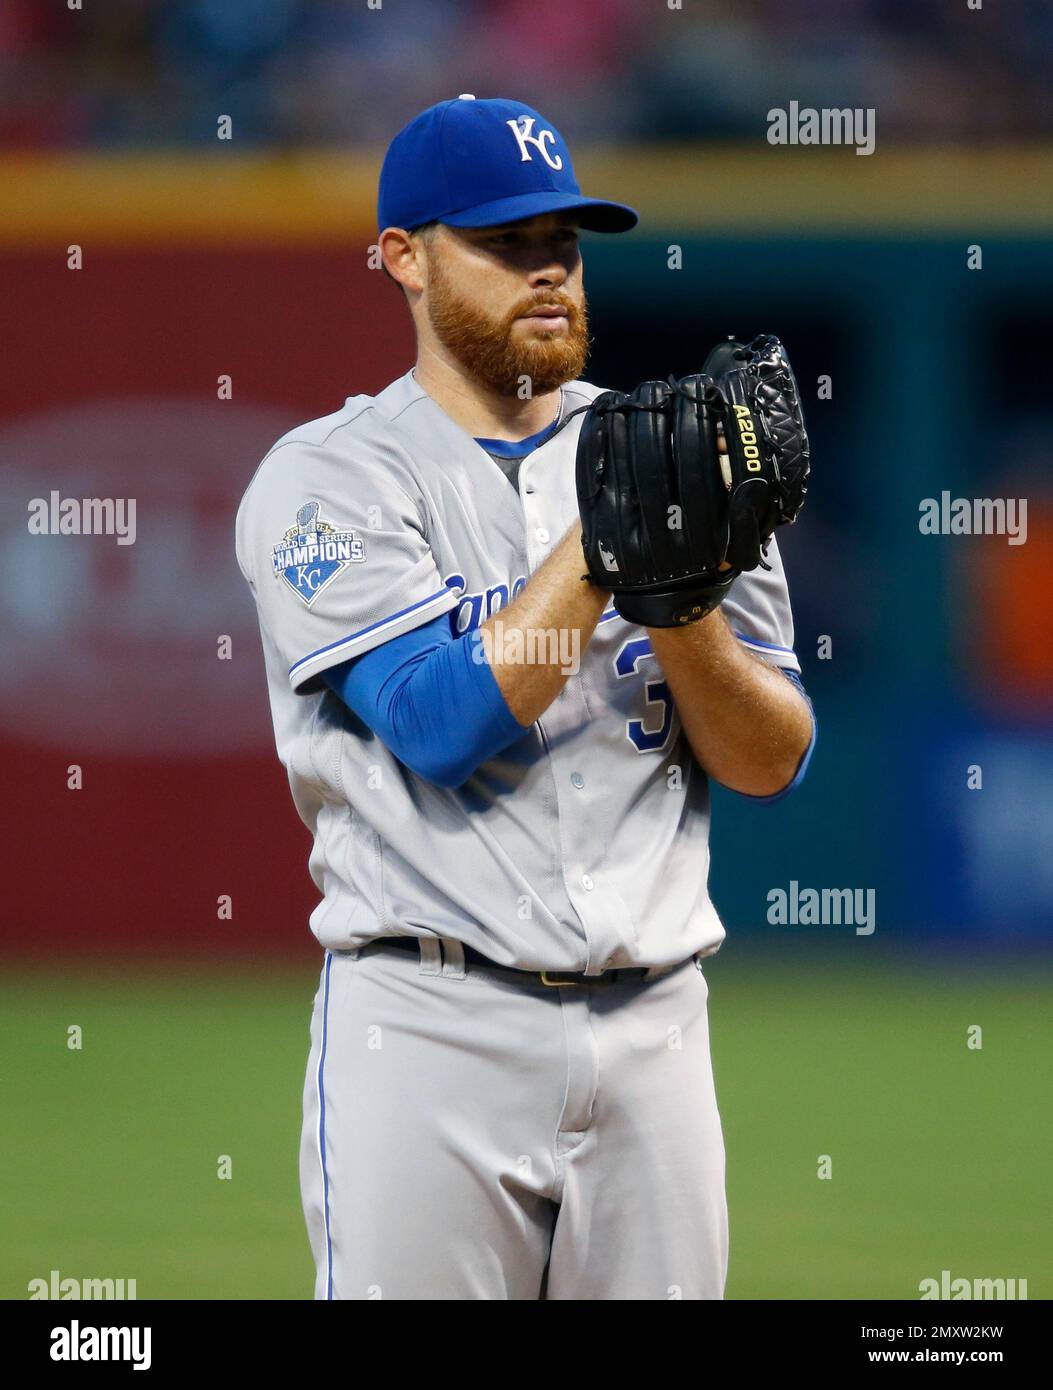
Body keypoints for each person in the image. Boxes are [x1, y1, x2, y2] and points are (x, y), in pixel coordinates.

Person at [234, 95, 815, 1301]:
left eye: (564, 240)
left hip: (658, 1027)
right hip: (430, 1025)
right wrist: (610, 543)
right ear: (404, 257)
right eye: (505, 242)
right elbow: (440, 726)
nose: (546, 269)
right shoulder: (328, 478)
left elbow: (770, 760)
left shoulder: (672, 452)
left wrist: (679, 597)